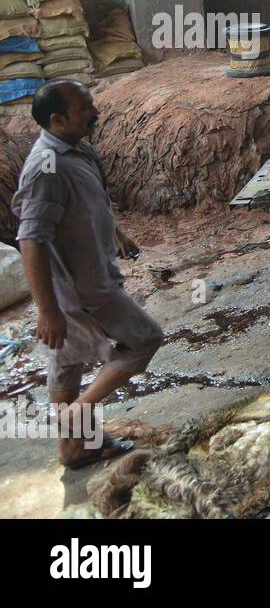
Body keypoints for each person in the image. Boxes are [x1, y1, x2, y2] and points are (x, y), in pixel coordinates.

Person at [12, 79, 163, 468]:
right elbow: (31, 239)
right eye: (84, 109)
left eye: (90, 104)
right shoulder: (45, 168)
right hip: (83, 288)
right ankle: (77, 417)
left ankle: (73, 447)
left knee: (66, 360)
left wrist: (115, 231)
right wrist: (48, 310)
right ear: (57, 119)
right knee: (145, 339)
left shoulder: (79, 148)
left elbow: (92, 199)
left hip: (86, 275)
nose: (95, 112)